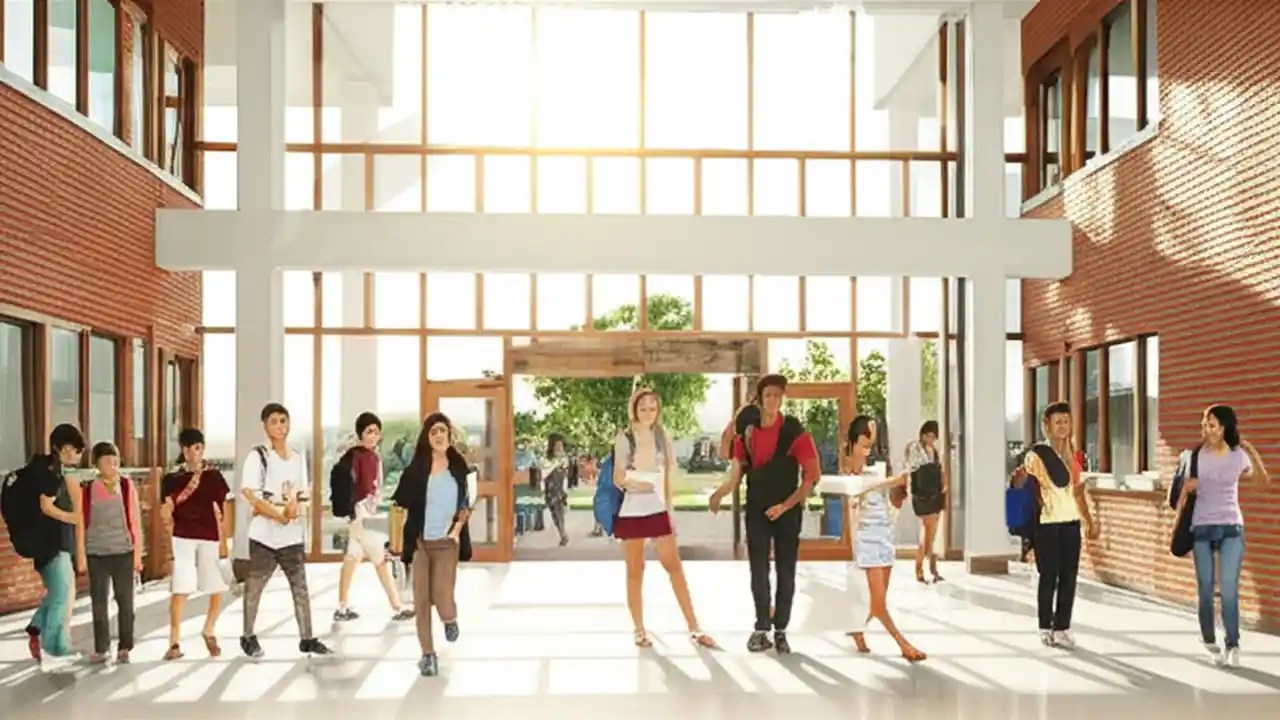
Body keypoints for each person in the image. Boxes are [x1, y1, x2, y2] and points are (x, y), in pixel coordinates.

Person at [710, 375, 818, 654]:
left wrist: (785, 505)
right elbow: (735, 473)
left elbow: (810, 478)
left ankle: (781, 630)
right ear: (759, 399)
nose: (773, 401)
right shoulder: (746, 432)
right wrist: (721, 493)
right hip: (757, 507)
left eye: (777, 396)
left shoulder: (794, 431)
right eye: (768, 395)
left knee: (786, 571)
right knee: (758, 570)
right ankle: (761, 628)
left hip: (788, 509)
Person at [613, 388, 717, 650]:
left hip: (657, 508)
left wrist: (669, 512)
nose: (648, 413)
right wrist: (641, 483)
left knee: (674, 567)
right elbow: (619, 477)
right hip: (632, 509)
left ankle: (695, 627)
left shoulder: (662, 436)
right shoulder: (625, 438)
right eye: (643, 408)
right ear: (634, 409)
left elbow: (668, 477)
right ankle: (639, 629)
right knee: (635, 571)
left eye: (652, 408)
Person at [238, 403, 331, 658]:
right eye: (274, 422)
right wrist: (278, 513)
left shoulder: (298, 457)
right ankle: (248, 635)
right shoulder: (257, 456)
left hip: (291, 535)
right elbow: (250, 493)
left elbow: (300, 493)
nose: (280, 426)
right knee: (255, 587)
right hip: (264, 536)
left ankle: (307, 637)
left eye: (283, 420)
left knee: (300, 587)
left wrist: (294, 506)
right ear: (265, 426)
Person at [1179, 405, 1268, 667]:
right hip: (1202, 527)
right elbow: (1180, 497)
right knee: (1206, 588)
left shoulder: (1238, 455)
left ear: (1224, 427)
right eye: (1204, 424)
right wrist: (1186, 493)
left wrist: (1251, 450)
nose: (1206, 430)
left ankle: (1233, 643)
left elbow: (1262, 482)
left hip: (1231, 526)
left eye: (1212, 425)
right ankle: (1208, 638)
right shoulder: (1194, 455)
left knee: (1229, 589)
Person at [1012, 402, 1098, 649]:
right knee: (1048, 576)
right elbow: (1027, 490)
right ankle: (1044, 625)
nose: (1063, 427)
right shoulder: (1036, 456)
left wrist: (1089, 521)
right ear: (1046, 426)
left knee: (1069, 577)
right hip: (1046, 524)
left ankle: (1062, 627)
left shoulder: (1076, 457)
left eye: (1066, 422)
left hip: (1070, 523)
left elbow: (1079, 493)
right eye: (1058, 422)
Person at [393, 412, 473, 677]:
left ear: (450, 435)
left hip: (446, 544)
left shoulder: (460, 468)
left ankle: (450, 619)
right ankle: (428, 655)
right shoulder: (416, 469)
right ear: (427, 438)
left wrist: (457, 530)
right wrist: (396, 542)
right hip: (420, 543)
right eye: (433, 432)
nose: (439, 436)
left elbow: (467, 505)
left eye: (442, 430)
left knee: (442, 596)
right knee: (422, 601)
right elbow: (399, 505)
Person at [843, 416, 925, 661]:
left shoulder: (875, 469)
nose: (870, 443)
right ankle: (904, 645)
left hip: (884, 537)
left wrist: (897, 496)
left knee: (877, 599)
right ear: (855, 439)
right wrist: (892, 481)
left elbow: (886, 504)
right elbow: (856, 490)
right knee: (879, 605)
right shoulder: (849, 468)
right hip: (866, 540)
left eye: (873, 437)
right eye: (866, 437)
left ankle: (857, 629)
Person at [333, 412, 413, 623]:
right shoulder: (363, 456)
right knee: (381, 560)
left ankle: (341, 607)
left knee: (352, 558)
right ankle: (397, 607)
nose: (374, 436)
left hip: (358, 514)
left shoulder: (361, 456)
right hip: (362, 513)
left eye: (377, 432)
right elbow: (367, 488)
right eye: (369, 431)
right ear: (361, 433)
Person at [160, 428, 231, 660]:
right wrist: (165, 512)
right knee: (181, 588)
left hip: (209, 536)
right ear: (183, 449)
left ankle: (209, 629)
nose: (192, 452)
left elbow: (223, 510)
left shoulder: (214, 477)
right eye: (188, 447)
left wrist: (224, 541)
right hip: (182, 536)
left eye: (197, 447)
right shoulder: (172, 478)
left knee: (216, 586)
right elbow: (166, 508)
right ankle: (174, 642)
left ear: (202, 448)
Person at [21, 424, 85, 664]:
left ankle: (36, 629)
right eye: (72, 450)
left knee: (59, 592)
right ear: (62, 449)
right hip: (53, 544)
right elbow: (46, 506)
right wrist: (74, 518)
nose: (75, 455)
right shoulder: (55, 474)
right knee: (62, 594)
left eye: (78, 451)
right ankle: (56, 647)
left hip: (50, 543)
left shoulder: (54, 471)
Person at [80, 442, 142, 664]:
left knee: (125, 601)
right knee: (98, 603)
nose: (112, 464)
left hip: (123, 551)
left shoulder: (126, 486)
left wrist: (137, 555)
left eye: (115, 460)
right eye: (107, 460)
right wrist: (81, 554)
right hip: (96, 552)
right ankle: (102, 647)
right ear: (96, 463)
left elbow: (135, 521)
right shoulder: (87, 488)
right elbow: (80, 522)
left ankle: (125, 646)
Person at [904, 420, 945, 584]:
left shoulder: (932, 450)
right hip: (923, 496)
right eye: (929, 436)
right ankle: (920, 567)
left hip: (935, 495)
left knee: (932, 534)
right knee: (927, 533)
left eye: (934, 437)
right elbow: (916, 470)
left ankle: (932, 569)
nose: (932, 439)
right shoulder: (916, 449)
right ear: (923, 434)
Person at [541, 433, 571, 547]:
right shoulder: (548, 460)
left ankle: (563, 534)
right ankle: (562, 533)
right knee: (555, 514)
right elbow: (544, 473)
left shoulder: (564, 459)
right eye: (558, 445)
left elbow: (566, 475)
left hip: (560, 490)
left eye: (561, 445)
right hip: (551, 490)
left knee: (560, 513)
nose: (560, 447)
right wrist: (555, 464)